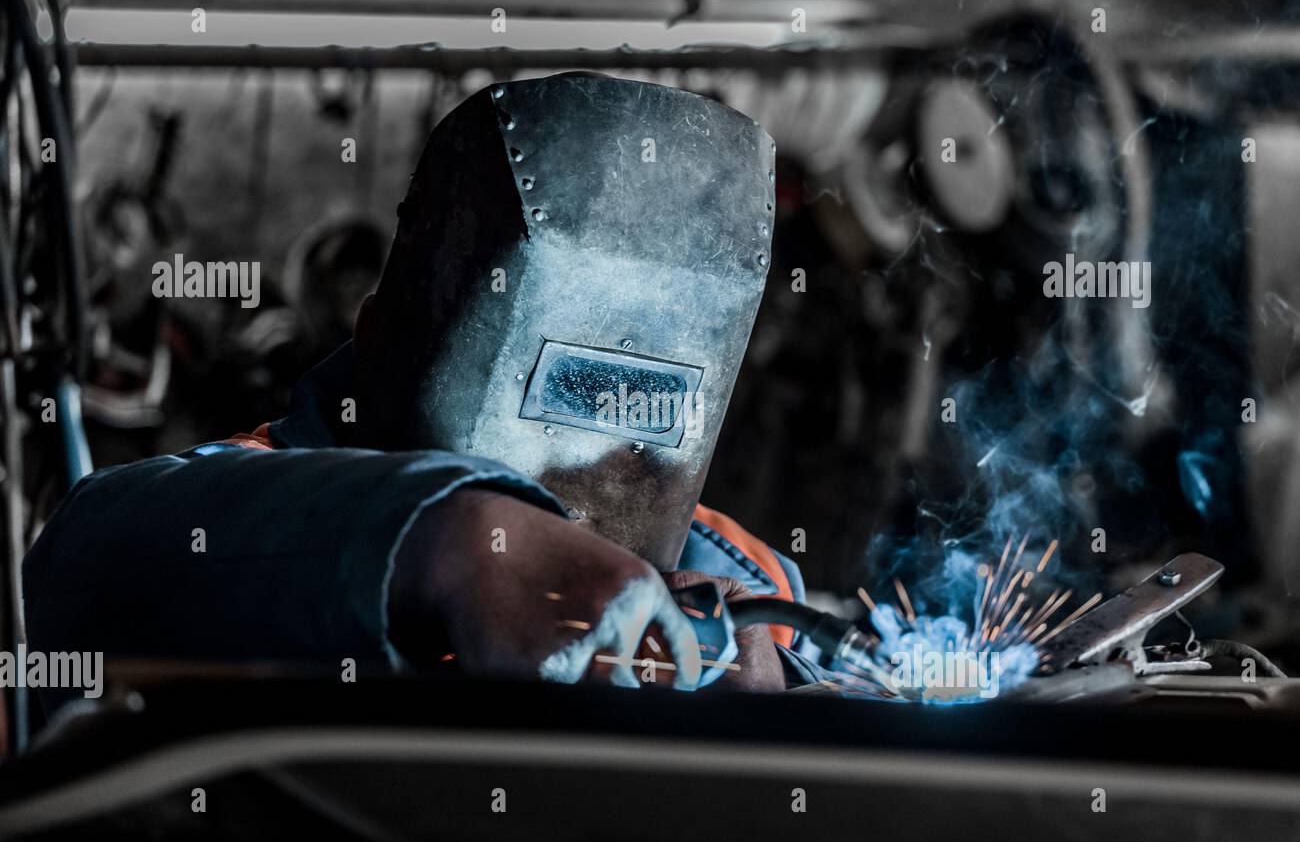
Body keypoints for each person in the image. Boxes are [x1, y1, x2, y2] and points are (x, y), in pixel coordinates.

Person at [24, 72, 819, 697]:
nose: (595, 455)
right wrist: (444, 541)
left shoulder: (745, 582)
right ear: (375, 334)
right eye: (566, 386)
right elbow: (84, 561)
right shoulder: (227, 503)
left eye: (640, 401)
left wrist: (787, 726)